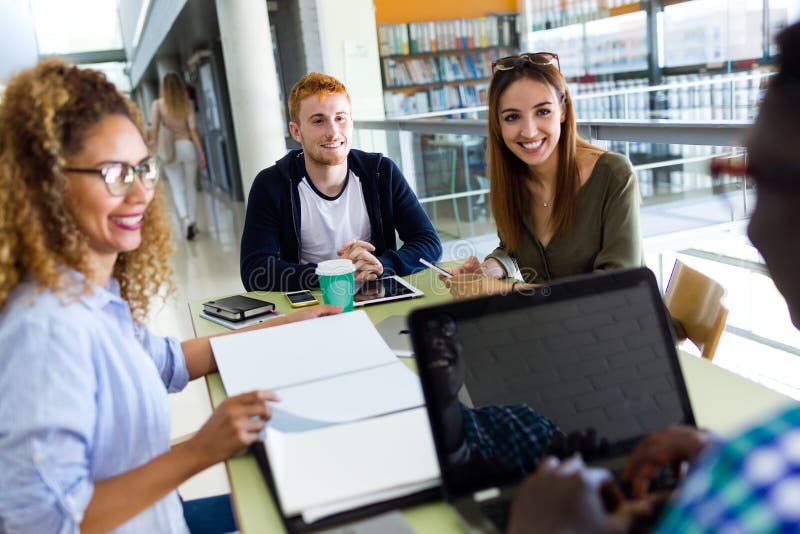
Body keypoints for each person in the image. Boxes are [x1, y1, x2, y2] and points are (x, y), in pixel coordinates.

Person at [0, 59, 338, 533]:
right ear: (45, 186)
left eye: (143, 168)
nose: (141, 193)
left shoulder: (91, 294)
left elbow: (166, 362)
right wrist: (202, 449)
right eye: (115, 173)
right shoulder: (43, 330)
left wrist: (282, 328)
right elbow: (45, 524)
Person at [507, 21, 800, 533]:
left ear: (564, 113)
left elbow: (613, 284)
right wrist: (727, 460)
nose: (750, 228)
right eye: (740, 175)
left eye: (765, 176)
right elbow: (518, 250)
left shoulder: (609, 173)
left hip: (612, 348)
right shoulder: (762, 458)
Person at [446, 52, 642, 296]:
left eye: (542, 112)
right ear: (498, 124)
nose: (528, 132)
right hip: (547, 328)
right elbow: (512, 248)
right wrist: (488, 270)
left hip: (615, 328)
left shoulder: (613, 175)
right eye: (512, 117)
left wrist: (503, 291)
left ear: (562, 111)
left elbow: (617, 287)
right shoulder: (513, 179)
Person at [240, 72, 442, 292]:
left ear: (351, 122)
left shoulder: (381, 172)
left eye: (340, 118)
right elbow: (255, 271)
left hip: (375, 294)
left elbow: (428, 242)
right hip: (312, 304)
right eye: (318, 121)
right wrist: (337, 272)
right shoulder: (271, 184)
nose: (333, 132)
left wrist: (381, 265)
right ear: (296, 131)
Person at [150, 72, 207, 241]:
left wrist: (151, 151)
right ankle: (194, 221)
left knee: (177, 187)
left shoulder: (158, 105)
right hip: (187, 146)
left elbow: (154, 131)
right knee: (191, 186)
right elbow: (193, 130)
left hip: (169, 150)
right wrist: (202, 153)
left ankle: (186, 220)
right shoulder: (187, 104)